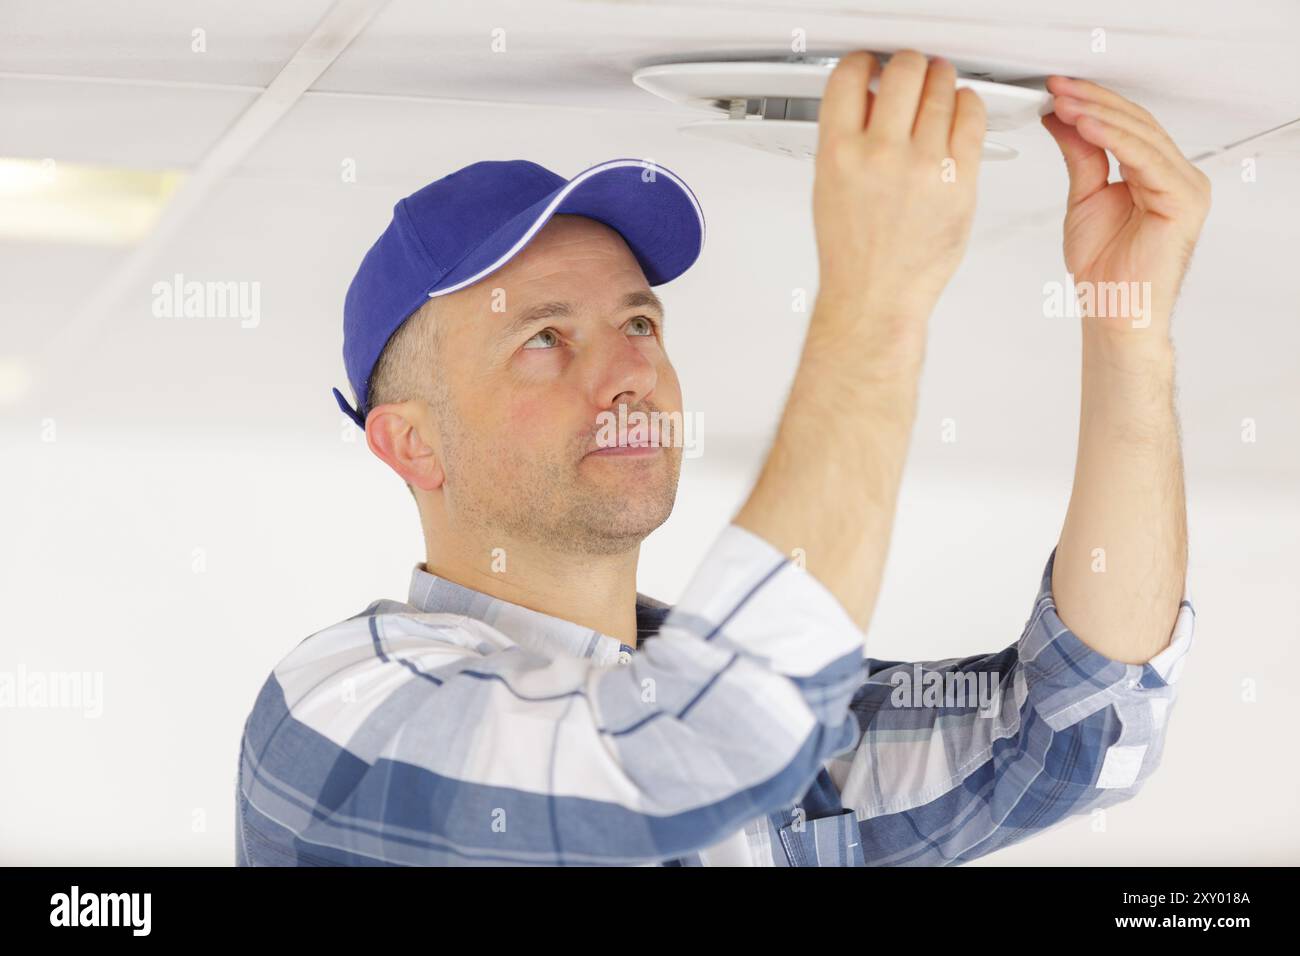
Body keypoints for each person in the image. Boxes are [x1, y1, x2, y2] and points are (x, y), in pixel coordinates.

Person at [237, 51, 1204, 866]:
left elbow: (1075, 736)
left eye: (640, 321)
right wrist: (876, 302)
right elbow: (696, 751)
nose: (630, 372)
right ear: (411, 442)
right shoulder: (343, 711)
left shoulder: (748, 719)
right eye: (543, 338)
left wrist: (1130, 331)